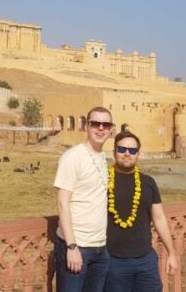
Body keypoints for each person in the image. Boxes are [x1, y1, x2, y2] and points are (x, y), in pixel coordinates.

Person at [104, 130, 178, 292]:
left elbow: (159, 218)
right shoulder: (102, 180)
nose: (127, 154)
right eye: (122, 149)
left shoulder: (148, 182)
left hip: (146, 260)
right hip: (113, 261)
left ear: (138, 155)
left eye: (132, 150)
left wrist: (171, 252)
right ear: (114, 152)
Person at [54, 106, 114, 291]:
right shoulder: (72, 157)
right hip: (76, 246)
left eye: (106, 124)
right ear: (86, 126)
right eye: (95, 123)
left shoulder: (102, 157)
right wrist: (72, 247)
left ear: (111, 129)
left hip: (100, 248)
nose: (101, 128)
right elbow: (62, 203)